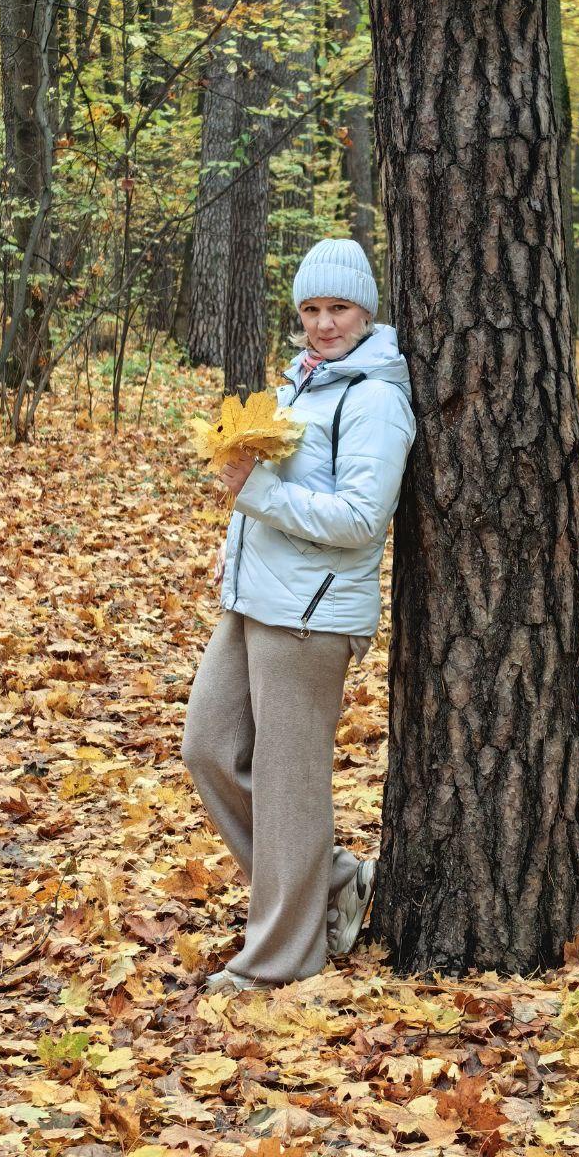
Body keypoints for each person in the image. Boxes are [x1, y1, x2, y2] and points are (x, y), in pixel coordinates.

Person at [181, 237, 417, 994]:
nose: (323, 323)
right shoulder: (303, 385)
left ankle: (282, 959)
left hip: (312, 613)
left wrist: (253, 495)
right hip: (254, 597)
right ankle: (337, 880)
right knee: (208, 749)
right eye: (311, 309)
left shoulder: (374, 398)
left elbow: (360, 517)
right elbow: (267, 484)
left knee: (289, 786)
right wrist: (235, 545)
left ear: (366, 311)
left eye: (338, 308)